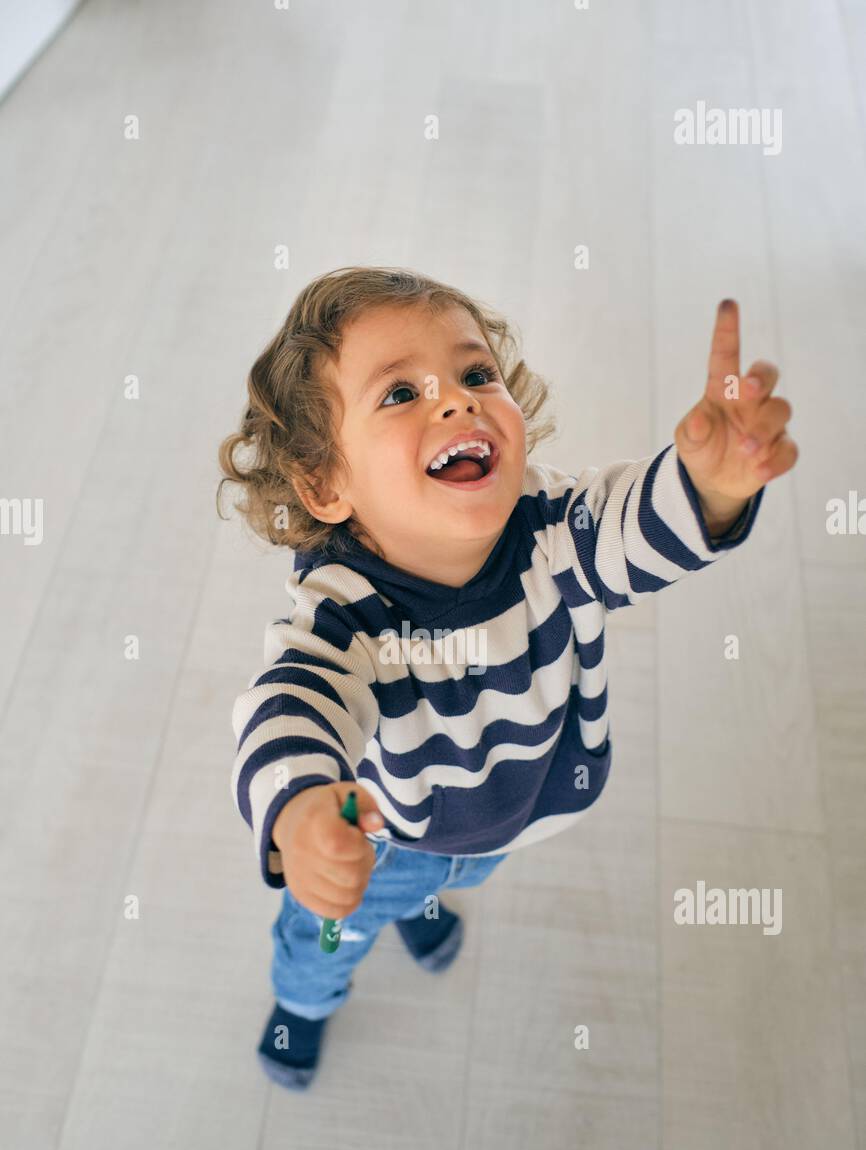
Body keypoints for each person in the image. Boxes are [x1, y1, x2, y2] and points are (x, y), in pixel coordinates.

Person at [217, 267, 796, 1089]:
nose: (456, 402)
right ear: (325, 483)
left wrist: (709, 485)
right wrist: (301, 811)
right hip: (376, 842)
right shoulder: (342, 616)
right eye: (399, 395)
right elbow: (291, 705)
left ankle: (424, 907)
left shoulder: (555, 530)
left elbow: (638, 525)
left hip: (504, 818)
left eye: (476, 374)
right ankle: (300, 1006)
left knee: (453, 872)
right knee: (325, 931)